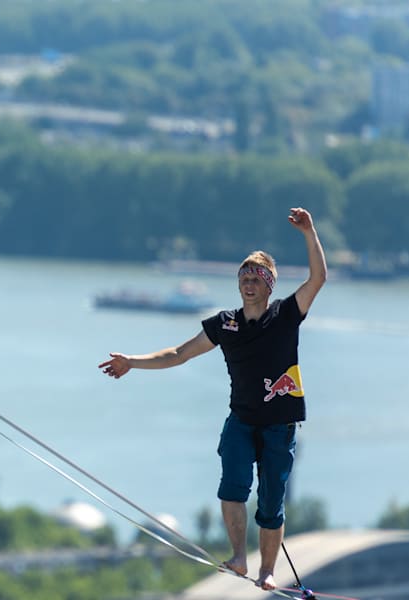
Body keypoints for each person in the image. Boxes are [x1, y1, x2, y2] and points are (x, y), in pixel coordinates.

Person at [98, 207, 327, 591]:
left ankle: (267, 570)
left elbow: (318, 278)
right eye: (243, 278)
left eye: (256, 279)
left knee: (271, 504)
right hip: (241, 419)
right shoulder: (225, 324)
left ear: (269, 285)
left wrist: (309, 231)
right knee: (232, 488)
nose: (248, 284)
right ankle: (239, 556)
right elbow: (179, 353)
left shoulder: (286, 315)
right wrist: (132, 362)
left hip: (279, 424)